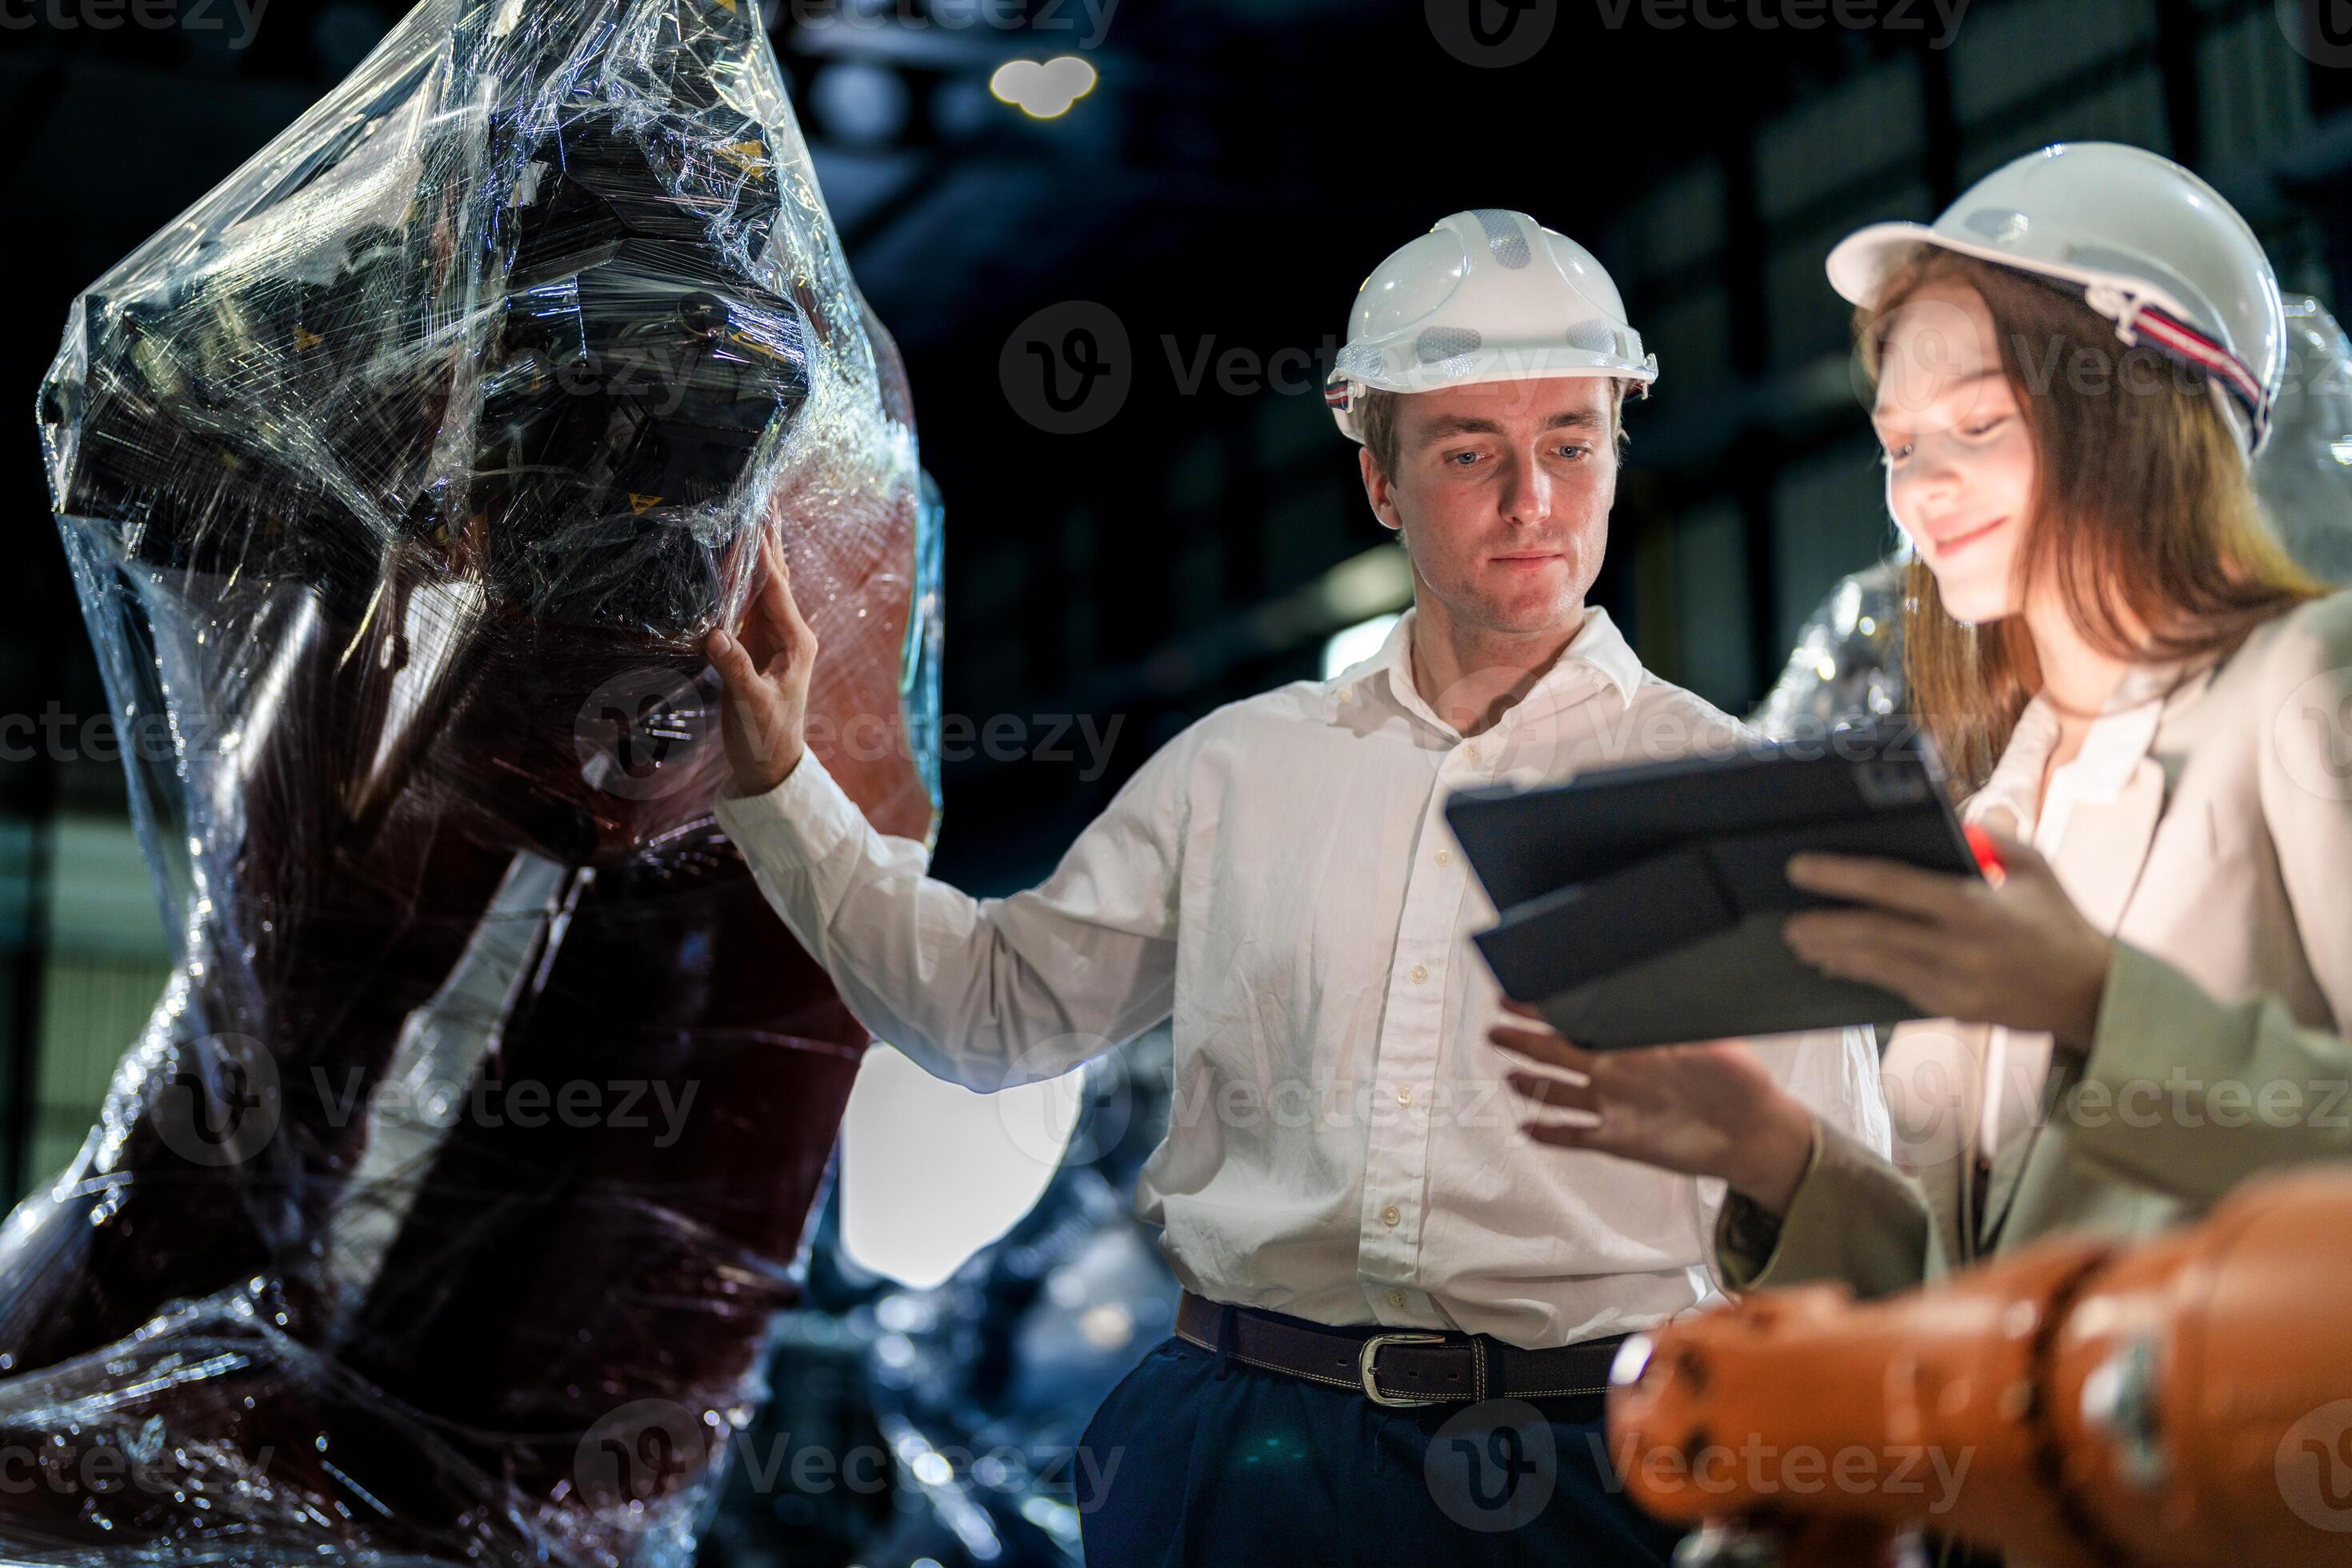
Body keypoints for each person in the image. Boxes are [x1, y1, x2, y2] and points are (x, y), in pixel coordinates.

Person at [702, 210, 1890, 1565]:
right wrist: (781, 782)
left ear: (1618, 449)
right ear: (1380, 476)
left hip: (1586, 1478)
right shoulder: (1238, 773)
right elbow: (991, 1012)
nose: (1533, 501)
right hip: (1245, 1454)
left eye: (1572, 443)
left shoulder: (1725, 797)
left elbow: (1836, 1213)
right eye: (1470, 451)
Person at [1491, 143, 2352, 1312]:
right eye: (1899, 445)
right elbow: (1970, 1292)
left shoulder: (2307, 686)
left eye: (1980, 422)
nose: (1919, 489)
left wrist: (2097, 1006)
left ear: (2147, 410)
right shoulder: (1999, 807)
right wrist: (1776, 1157)